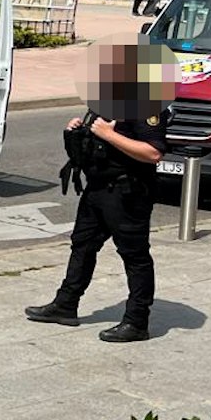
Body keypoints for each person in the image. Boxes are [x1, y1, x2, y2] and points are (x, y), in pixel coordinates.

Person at [26, 44, 173, 343]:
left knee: (134, 255)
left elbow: (153, 153)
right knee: (82, 246)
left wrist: (109, 134)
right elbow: (96, 139)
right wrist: (78, 130)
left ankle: (137, 322)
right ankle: (65, 305)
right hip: (97, 189)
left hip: (127, 192)